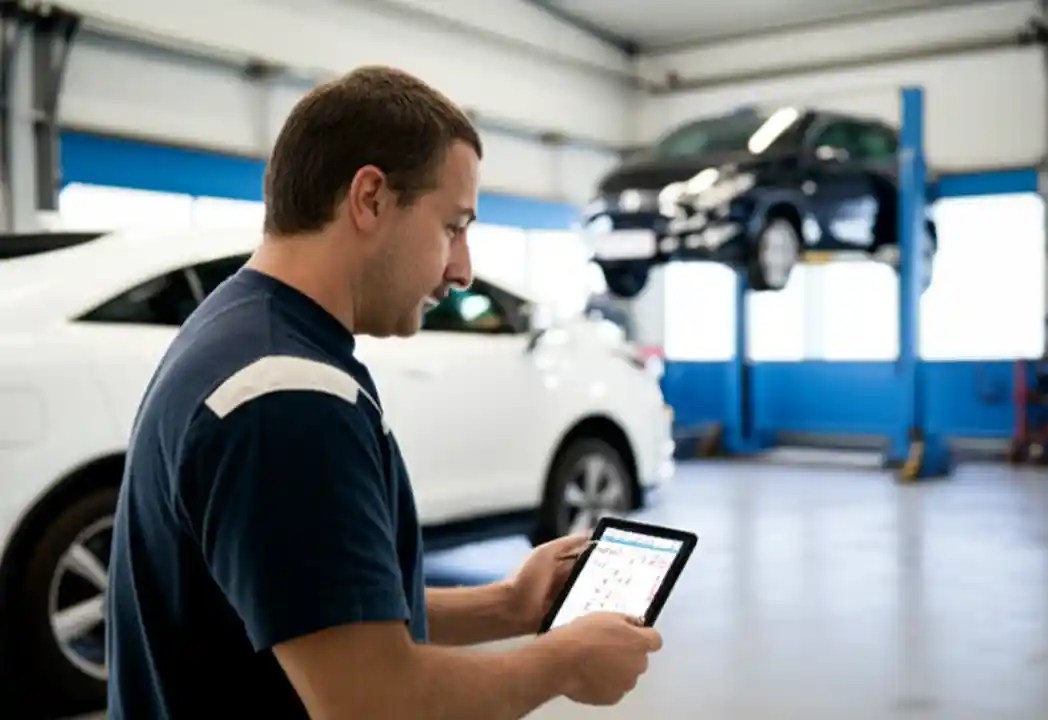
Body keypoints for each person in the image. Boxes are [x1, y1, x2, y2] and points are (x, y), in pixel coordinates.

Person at [105, 65, 663, 719]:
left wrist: (508, 605)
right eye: (453, 226)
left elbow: (321, 610)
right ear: (370, 198)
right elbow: (376, 702)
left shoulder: (239, 328)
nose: (463, 269)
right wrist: (562, 662)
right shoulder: (286, 401)